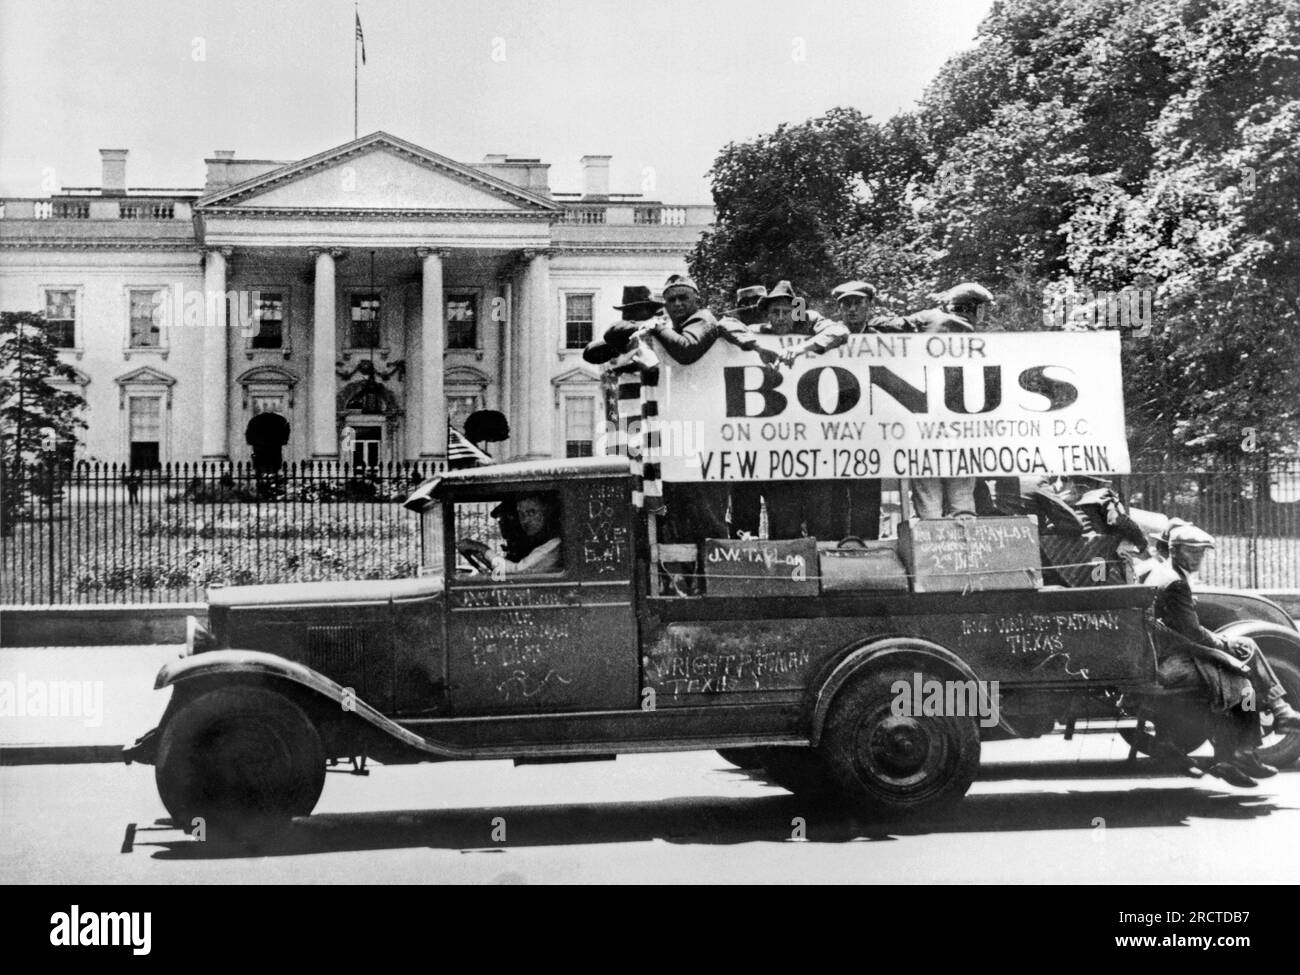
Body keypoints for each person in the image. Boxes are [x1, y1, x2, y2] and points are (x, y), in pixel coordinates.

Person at [1144, 523, 1300, 786]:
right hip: (1171, 661)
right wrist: (1224, 645)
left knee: (1246, 648)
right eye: (1192, 552)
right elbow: (1192, 632)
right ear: (1175, 550)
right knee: (1242, 682)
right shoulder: (1175, 583)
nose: (1198, 558)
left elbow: (1186, 628)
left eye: (1202, 553)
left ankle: (1269, 722)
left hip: (1168, 651)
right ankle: (1237, 753)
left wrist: (1225, 643)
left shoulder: (1163, 573)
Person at [872, 282, 996, 519]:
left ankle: (932, 551)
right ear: (974, 309)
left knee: (929, 504)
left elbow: (883, 325)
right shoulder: (978, 337)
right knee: (962, 504)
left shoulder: (928, 319)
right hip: (962, 433)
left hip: (923, 431)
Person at [742, 280, 847, 539]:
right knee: (783, 526)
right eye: (774, 312)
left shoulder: (808, 324)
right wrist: (758, 347)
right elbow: (727, 325)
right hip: (777, 452)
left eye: (785, 312)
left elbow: (839, 331)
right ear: (767, 314)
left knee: (820, 522)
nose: (780, 318)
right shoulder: (757, 331)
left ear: (795, 311)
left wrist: (801, 348)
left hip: (813, 447)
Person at [457, 494, 562, 576]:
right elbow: (504, 572)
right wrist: (480, 553)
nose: (525, 520)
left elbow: (518, 572)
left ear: (546, 514)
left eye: (531, 513)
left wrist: (482, 548)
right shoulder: (539, 543)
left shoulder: (554, 545)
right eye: (521, 514)